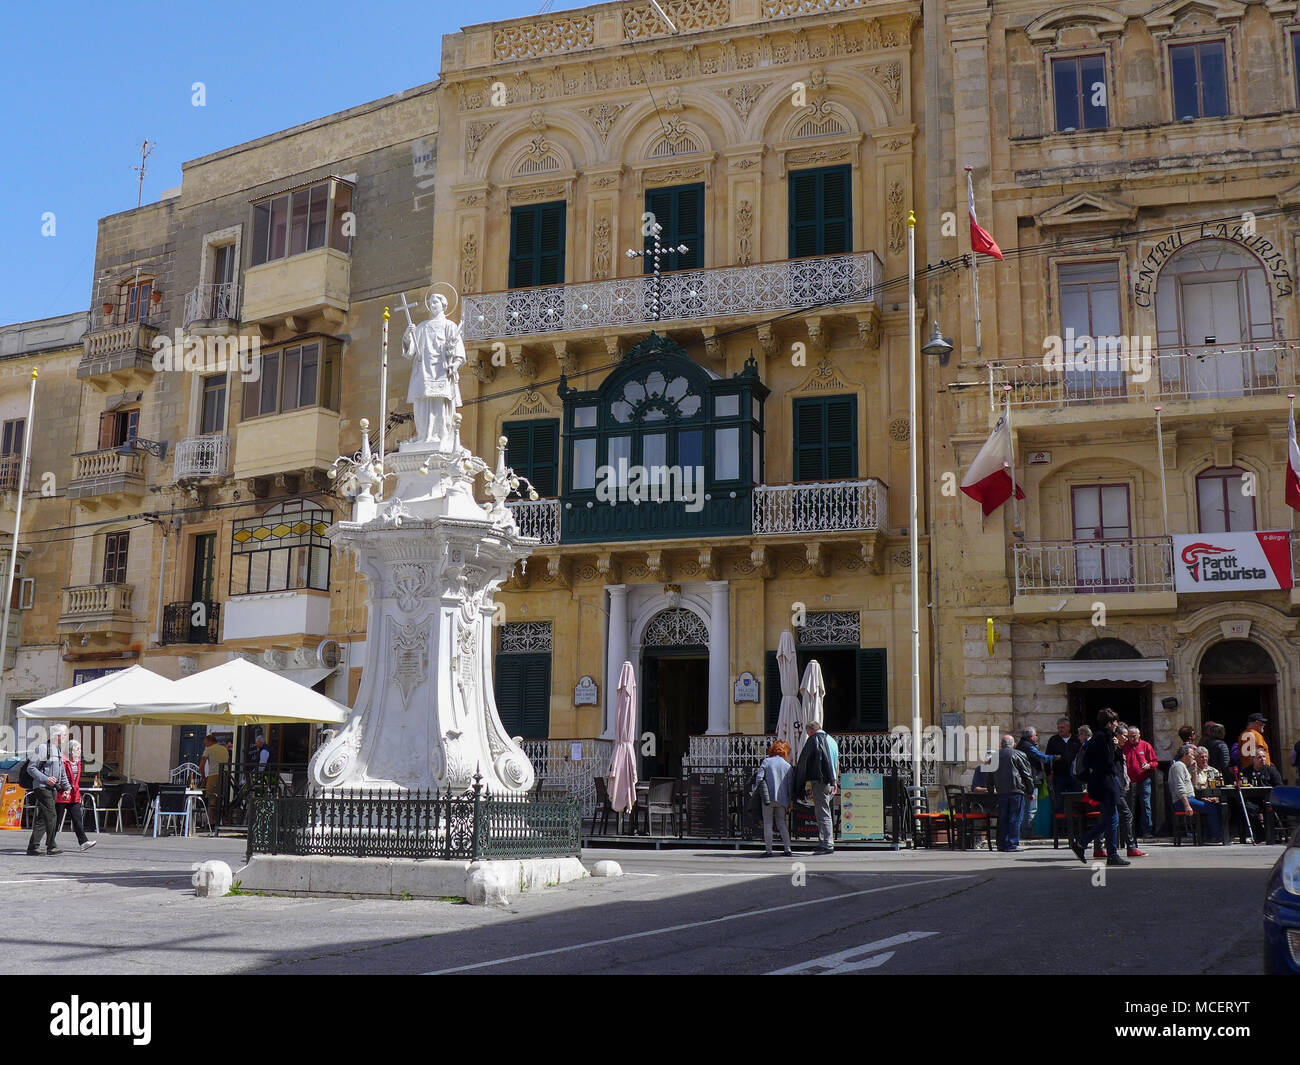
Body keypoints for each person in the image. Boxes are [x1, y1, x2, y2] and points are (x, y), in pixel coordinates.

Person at [400, 291, 465, 451]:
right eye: (430, 302)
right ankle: (424, 435)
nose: (432, 305)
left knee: (440, 405)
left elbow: (459, 352)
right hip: (423, 369)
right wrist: (408, 335)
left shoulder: (450, 326)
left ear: (443, 305)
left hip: (442, 370)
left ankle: (441, 434)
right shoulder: (422, 327)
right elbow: (410, 352)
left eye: (435, 302)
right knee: (422, 402)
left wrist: (455, 366)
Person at [1073, 709, 1130, 866]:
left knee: (1110, 818)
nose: (1117, 725)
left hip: (1101, 782)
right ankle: (1109, 853)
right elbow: (1108, 761)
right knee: (1112, 819)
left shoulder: (1098, 737)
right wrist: (1114, 746)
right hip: (1106, 782)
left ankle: (1082, 844)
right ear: (1110, 723)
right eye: (1115, 722)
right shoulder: (1104, 737)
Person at [26, 725, 70, 856]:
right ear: (57, 735)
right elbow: (31, 768)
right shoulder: (43, 748)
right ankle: (51, 846)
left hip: (53, 788)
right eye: (64, 735)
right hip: (42, 787)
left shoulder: (57, 750)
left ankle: (33, 847)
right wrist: (45, 779)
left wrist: (67, 788)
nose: (65, 738)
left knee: (43, 818)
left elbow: (61, 773)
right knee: (51, 815)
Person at [794, 721, 837, 854]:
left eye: (807, 734)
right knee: (822, 811)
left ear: (810, 731)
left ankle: (828, 844)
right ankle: (823, 841)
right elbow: (836, 762)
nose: (808, 736)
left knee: (822, 812)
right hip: (830, 780)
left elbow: (807, 760)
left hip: (820, 781)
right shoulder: (831, 740)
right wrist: (835, 780)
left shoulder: (815, 740)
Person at [1169, 742, 1222, 841]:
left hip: (1190, 798)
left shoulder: (1184, 767)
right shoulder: (1178, 766)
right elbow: (1180, 787)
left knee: (1215, 806)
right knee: (1211, 809)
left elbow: (1193, 785)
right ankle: (1216, 836)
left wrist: (1193, 771)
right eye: (1192, 755)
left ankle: (1211, 835)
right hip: (1182, 801)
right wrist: (1187, 805)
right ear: (1185, 755)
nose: (1193, 757)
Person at [993, 734, 1033, 852]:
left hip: (1001, 792)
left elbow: (989, 776)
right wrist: (1030, 791)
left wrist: (991, 790)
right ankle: (1011, 844)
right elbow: (1027, 774)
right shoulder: (1019, 754)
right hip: (1016, 790)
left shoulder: (994, 756)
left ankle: (1001, 844)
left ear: (1001, 744)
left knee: (1003, 818)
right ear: (1014, 745)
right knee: (1015, 817)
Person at [56, 739, 96, 852]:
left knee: (77, 818)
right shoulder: (63, 762)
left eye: (80, 748)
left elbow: (76, 779)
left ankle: (83, 842)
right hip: (63, 794)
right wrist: (65, 789)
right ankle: (50, 842)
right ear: (70, 751)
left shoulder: (78, 762)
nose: (80, 751)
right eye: (77, 749)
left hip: (74, 795)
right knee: (57, 820)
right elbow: (61, 777)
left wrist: (74, 789)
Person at [756, 740, 794, 858]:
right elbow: (790, 785)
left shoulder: (767, 761)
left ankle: (769, 851)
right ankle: (787, 849)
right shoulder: (787, 766)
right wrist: (790, 801)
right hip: (782, 799)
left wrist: (761, 791)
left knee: (768, 823)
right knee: (781, 823)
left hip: (768, 798)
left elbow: (759, 778)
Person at [1015, 727, 1054, 839]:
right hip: (1031, 781)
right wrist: (1053, 757)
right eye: (1036, 735)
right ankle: (1028, 833)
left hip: (1025, 781)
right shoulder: (1028, 747)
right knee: (1031, 809)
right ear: (1031, 736)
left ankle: (1025, 832)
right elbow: (1041, 757)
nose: (1037, 737)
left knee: (1026, 809)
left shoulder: (1022, 745)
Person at [1123, 725, 1157, 839]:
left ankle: (1147, 830)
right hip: (1129, 782)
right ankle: (1130, 831)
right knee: (1129, 807)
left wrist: (1149, 765)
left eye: (1134, 736)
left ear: (1139, 735)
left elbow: (1154, 762)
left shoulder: (1146, 745)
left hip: (1144, 780)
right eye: (1130, 736)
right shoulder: (1124, 746)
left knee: (1145, 804)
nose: (1132, 738)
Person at [1045, 717, 1080, 814]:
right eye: (1059, 727)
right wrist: (1048, 773)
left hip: (1075, 777)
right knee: (1059, 802)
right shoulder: (1053, 740)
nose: (1060, 729)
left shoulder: (1076, 739)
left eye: (1063, 727)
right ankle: (1061, 827)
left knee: (1076, 802)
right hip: (1059, 776)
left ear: (1068, 727)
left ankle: (1076, 826)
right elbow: (1046, 758)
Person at [200, 734, 228, 816]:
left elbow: (201, 765)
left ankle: (211, 821)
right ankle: (220, 819)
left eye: (206, 743)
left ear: (210, 741)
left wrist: (203, 777)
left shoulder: (209, 750)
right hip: (225, 775)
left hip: (214, 774)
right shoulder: (224, 749)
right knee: (222, 797)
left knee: (212, 797)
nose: (205, 745)